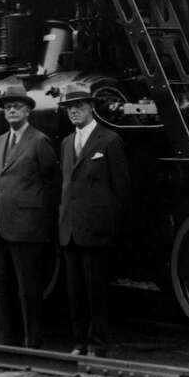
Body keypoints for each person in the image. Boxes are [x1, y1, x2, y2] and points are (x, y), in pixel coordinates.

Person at [57, 83, 131, 357]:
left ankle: (97, 343)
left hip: (96, 231)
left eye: (79, 106)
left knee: (95, 291)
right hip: (71, 230)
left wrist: (110, 227)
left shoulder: (109, 140)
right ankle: (79, 342)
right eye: (69, 108)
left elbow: (121, 190)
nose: (74, 111)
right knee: (75, 292)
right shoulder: (66, 143)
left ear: (91, 107)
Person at [0, 83, 60, 348]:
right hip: (1, 226)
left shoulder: (39, 141)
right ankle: (7, 340)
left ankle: (32, 341)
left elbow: (52, 184)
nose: (12, 111)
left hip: (27, 228)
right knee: (2, 287)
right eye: (8, 107)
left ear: (28, 110)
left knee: (28, 289)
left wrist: (40, 221)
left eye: (17, 107)